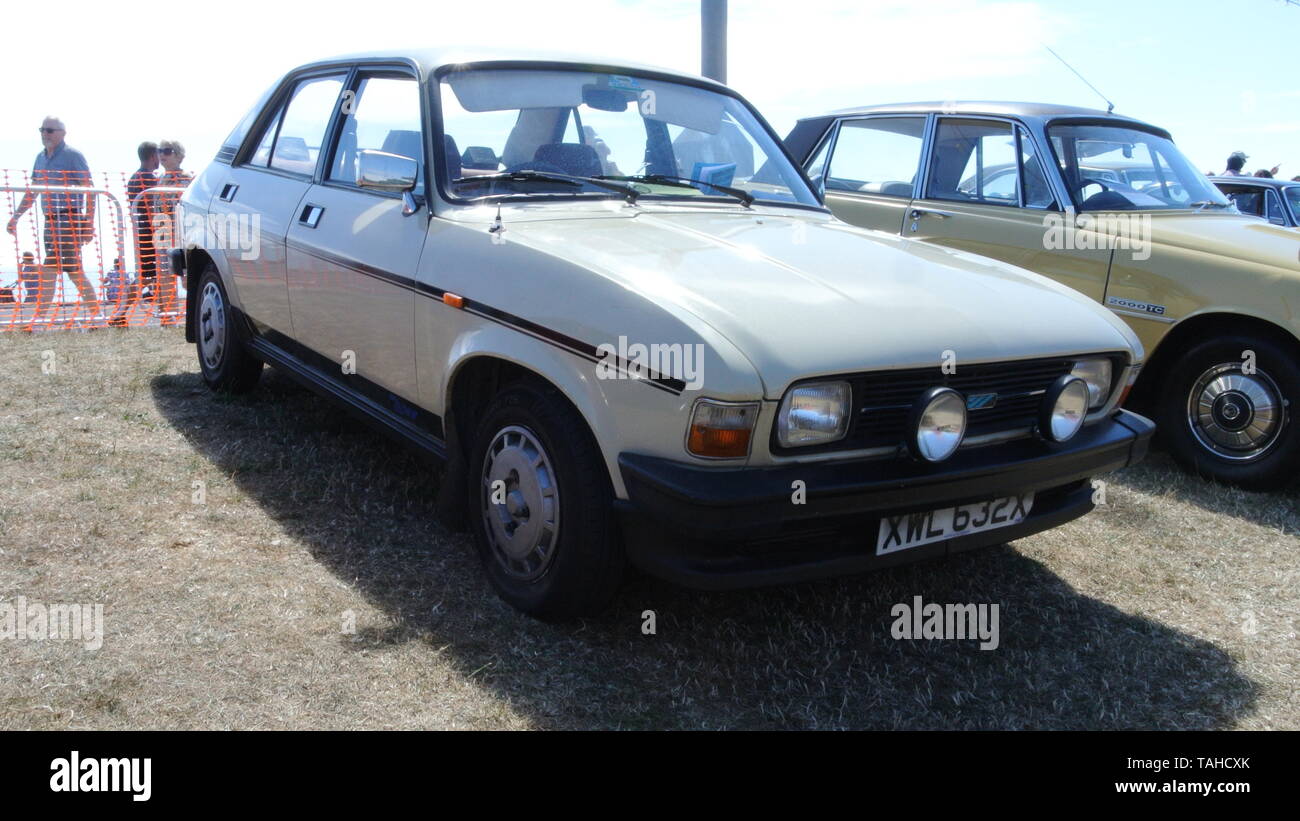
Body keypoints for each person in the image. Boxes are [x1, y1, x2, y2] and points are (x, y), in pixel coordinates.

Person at [5, 116, 100, 322]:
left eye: (49, 130)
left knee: (54, 269)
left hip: (68, 219)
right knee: (70, 271)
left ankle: (39, 320)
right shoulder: (40, 158)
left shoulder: (73, 156)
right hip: (50, 221)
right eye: (42, 130)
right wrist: (16, 217)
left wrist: (88, 223)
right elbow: (34, 191)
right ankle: (96, 315)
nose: (44, 134)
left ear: (62, 133)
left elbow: (90, 189)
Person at [126, 142, 160, 300]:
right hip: (151, 233)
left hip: (142, 231)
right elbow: (156, 207)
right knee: (147, 276)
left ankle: (164, 313)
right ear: (153, 156)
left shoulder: (134, 177)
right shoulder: (149, 178)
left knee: (153, 275)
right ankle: (121, 311)